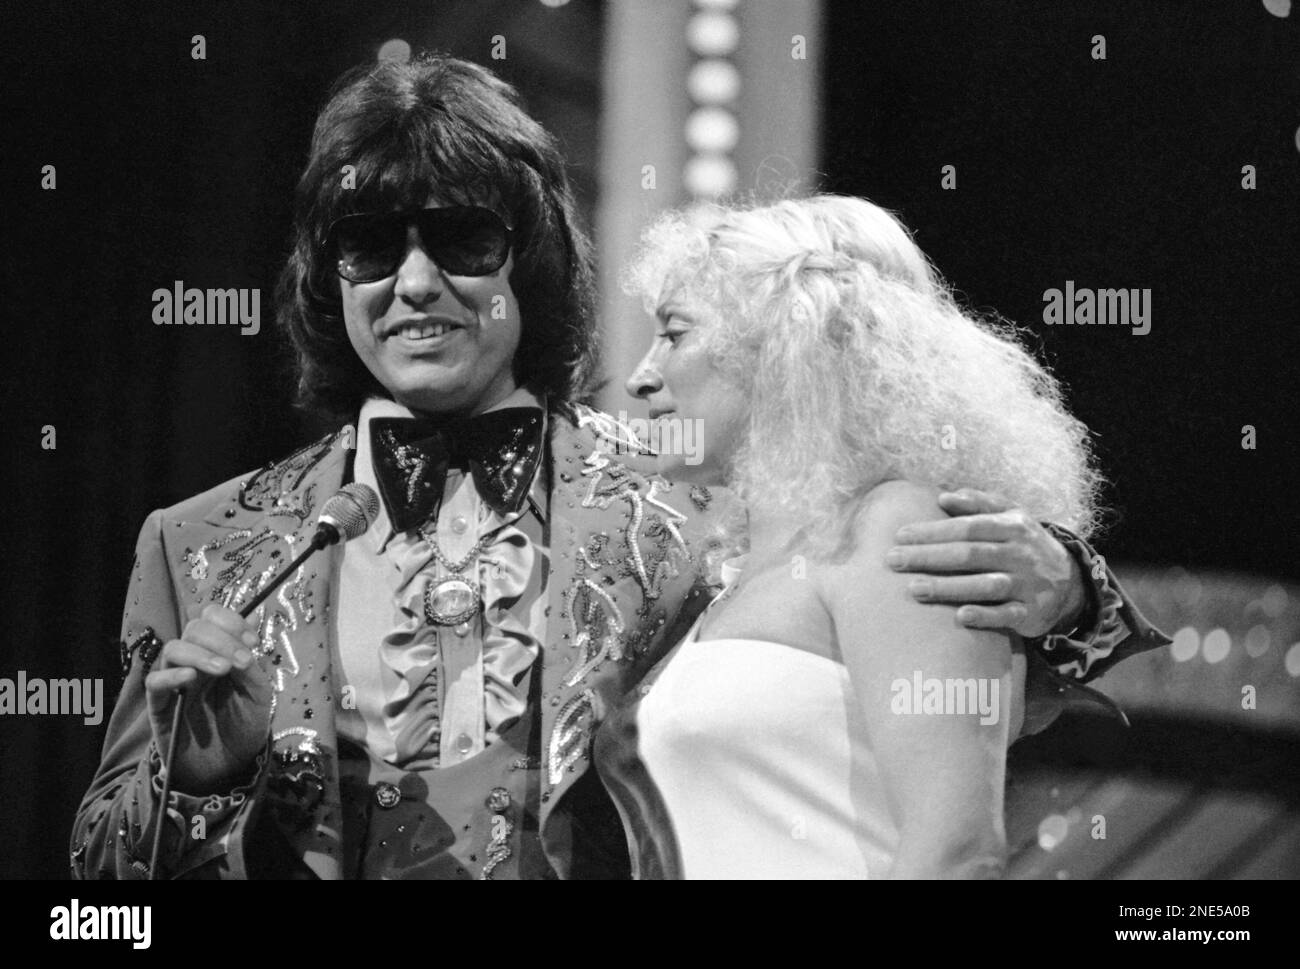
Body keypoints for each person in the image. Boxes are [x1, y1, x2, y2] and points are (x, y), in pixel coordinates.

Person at [71, 55, 1162, 881]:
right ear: (329, 277)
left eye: (460, 240)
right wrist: (195, 780)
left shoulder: (697, 501)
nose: (413, 283)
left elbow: (925, 634)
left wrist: (1066, 585)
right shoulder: (205, 542)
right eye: (368, 246)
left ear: (530, 261)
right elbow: (95, 887)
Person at [597, 194, 1165, 878]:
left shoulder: (893, 529)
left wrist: (1077, 592)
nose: (640, 376)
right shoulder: (738, 574)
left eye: (675, 332)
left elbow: (957, 854)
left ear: (788, 338)